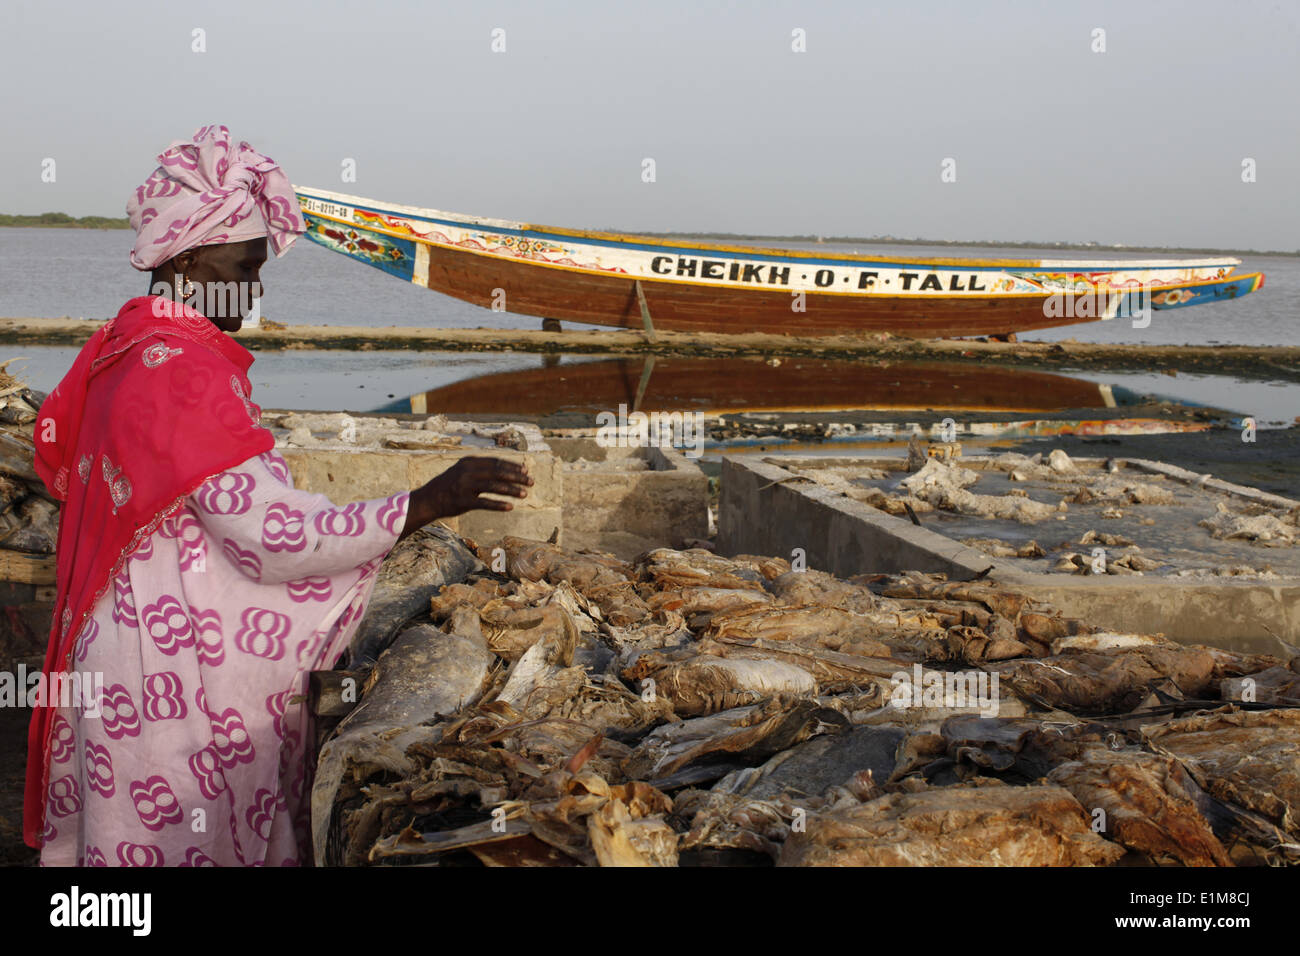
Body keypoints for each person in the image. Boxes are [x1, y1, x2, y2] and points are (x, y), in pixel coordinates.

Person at [24, 125, 532, 866]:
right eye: (244, 267)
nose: (254, 292)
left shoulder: (125, 347)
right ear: (191, 257)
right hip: (162, 671)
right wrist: (424, 501)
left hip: (118, 642)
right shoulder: (182, 375)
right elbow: (269, 537)